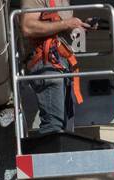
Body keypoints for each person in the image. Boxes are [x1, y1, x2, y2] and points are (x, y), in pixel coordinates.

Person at [19, 0, 94, 135]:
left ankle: (57, 151)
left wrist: (80, 28)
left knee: (64, 125)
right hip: (46, 61)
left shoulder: (64, 2)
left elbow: (62, 34)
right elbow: (27, 27)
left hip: (62, 63)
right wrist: (67, 23)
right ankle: (49, 152)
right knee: (53, 124)